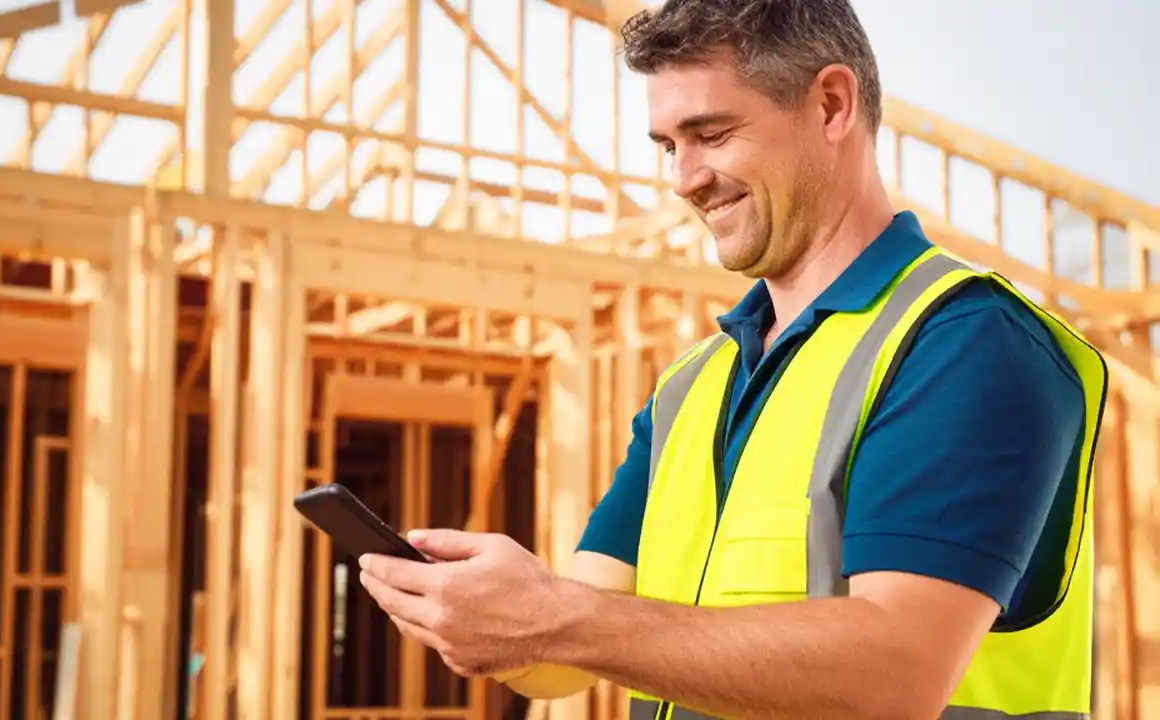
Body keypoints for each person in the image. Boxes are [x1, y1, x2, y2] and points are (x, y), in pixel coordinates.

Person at [357, 1, 1107, 718]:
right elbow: (562, 660)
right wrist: (478, 615)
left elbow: (896, 675)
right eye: (666, 147)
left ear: (832, 106)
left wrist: (556, 618)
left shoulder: (967, 342)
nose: (683, 179)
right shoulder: (694, 387)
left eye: (710, 134)